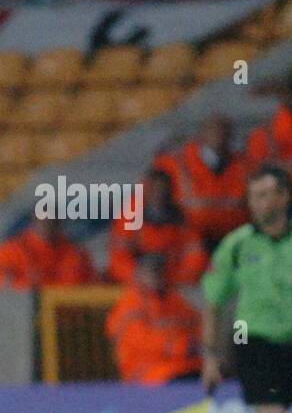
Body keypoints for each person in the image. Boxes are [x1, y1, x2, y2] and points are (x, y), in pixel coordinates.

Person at [200, 163, 292, 413]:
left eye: (266, 194)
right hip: (252, 345)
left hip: (288, 346)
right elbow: (213, 300)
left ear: (285, 196)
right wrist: (210, 356)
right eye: (253, 196)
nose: (258, 203)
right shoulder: (238, 244)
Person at [153, 114, 248, 253]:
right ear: (201, 134)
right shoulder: (174, 163)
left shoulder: (245, 165)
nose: (219, 137)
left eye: (223, 132)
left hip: (234, 239)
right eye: (213, 131)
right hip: (187, 241)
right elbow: (148, 197)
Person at [105, 252, 202, 385]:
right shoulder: (130, 305)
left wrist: (205, 343)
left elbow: (197, 325)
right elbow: (144, 342)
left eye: (160, 270)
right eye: (151, 271)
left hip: (183, 367)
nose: (157, 275)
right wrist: (185, 346)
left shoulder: (175, 300)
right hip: (147, 372)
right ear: (139, 273)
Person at [107, 169, 208, 286]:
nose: (159, 194)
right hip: (135, 284)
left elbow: (196, 257)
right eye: (154, 189)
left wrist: (176, 278)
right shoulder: (128, 219)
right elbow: (119, 258)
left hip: (174, 282)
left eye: (162, 190)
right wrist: (141, 277)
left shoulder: (182, 220)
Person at [0, 208, 98, 291]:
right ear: (34, 221)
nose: (48, 223)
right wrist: (19, 285)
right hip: (24, 318)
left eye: (53, 219)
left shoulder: (76, 255)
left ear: (60, 222)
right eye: (43, 219)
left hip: (69, 320)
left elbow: (93, 287)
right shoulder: (11, 251)